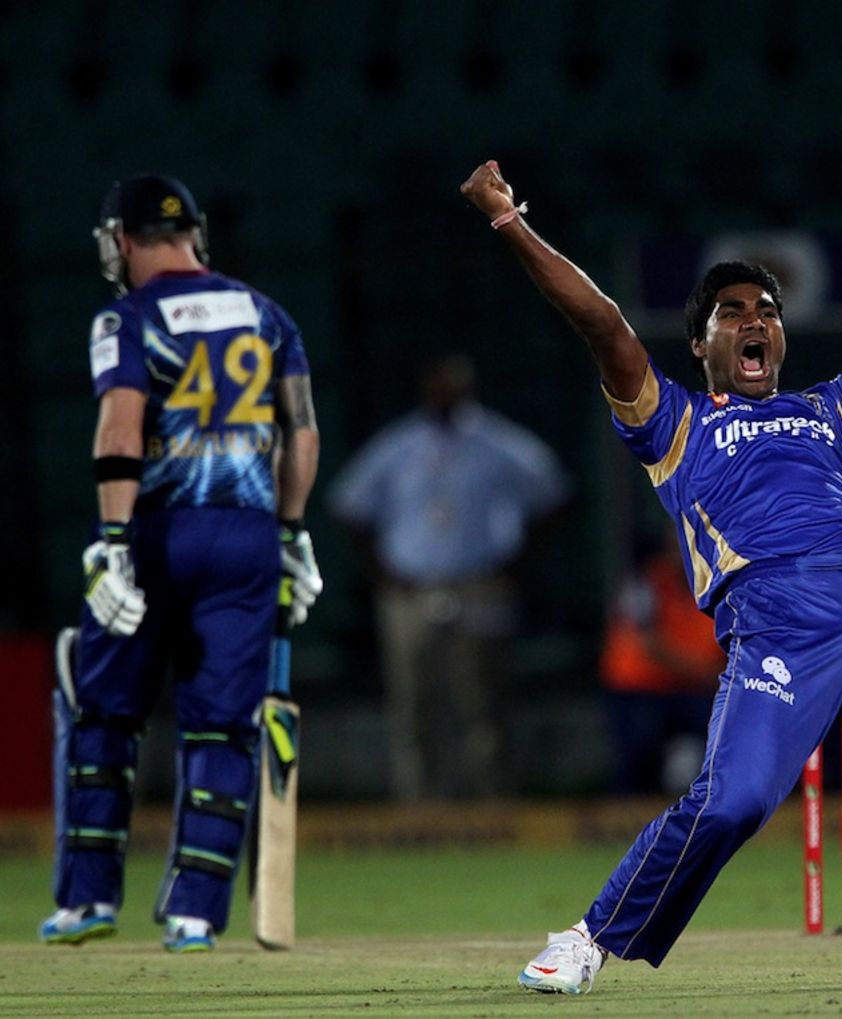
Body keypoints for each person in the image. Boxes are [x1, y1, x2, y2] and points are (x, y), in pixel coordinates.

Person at [459, 156, 842, 992]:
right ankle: (586, 937)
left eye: (766, 311)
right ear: (701, 343)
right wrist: (509, 220)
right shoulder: (673, 423)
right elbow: (604, 323)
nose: (753, 321)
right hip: (779, 615)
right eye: (731, 313)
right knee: (732, 803)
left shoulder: (835, 407)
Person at [40, 174, 321, 953]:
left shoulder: (126, 317)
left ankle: (87, 899)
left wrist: (113, 544)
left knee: (101, 707)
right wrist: (292, 533)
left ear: (123, 240)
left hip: (160, 531)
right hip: (248, 537)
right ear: (194, 233)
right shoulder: (268, 314)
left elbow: (119, 429)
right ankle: (195, 912)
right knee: (224, 725)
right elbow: (301, 434)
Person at [328, 352, 568, 800]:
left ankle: (491, 803)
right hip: (411, 589)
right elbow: (349, 505)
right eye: (438, 384)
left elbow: (554, 493)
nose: (446, 393)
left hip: (478, 585)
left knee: (483, 700)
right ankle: (421, 806)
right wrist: (381, 572)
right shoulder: (399, 443)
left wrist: (517, 563)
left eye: (454, 384)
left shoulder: (497, 441)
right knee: (414, 703)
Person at [598, 525, 723, 794]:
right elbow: (648, 644)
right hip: (639, 689)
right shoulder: (645, 583)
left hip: (691, 689)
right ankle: (624, 809)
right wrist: (704, 674)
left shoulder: (715, 584)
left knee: (728, 731)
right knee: (638, 743)